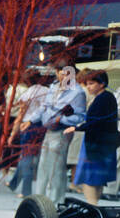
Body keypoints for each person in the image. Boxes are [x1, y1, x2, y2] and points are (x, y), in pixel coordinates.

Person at [23, 61, 86, 204]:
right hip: (48, 129)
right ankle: (39, 201)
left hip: (62, 131)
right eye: (59, 72)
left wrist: (61, 119)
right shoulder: (53, 87)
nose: (61, 75)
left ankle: (55, 202)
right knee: (43, 166)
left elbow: (80, 116)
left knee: (56, 167)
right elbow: (43, 107)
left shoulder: (78, 92)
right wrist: (31, 120)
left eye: (65, 72)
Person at [63, 70, 118, 206]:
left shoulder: (102, 99)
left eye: (91, 83)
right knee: (98, 179)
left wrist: (77, 128)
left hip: (96, 144)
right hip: (104, 143)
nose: (88, 87)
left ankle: (93, 206)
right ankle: (94, 205)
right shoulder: (107, 97)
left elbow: (96, 122)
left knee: (89, 178)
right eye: (87, 84)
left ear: (102, 84)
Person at [10, 69, 49, 196]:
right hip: (42, 126)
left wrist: (13, 133)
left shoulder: (27, 94)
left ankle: (25, 190)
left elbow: (21, 113)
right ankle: (14, 183)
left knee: (26, 157)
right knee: (30, 156)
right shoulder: (47, 91)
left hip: (27, 125)